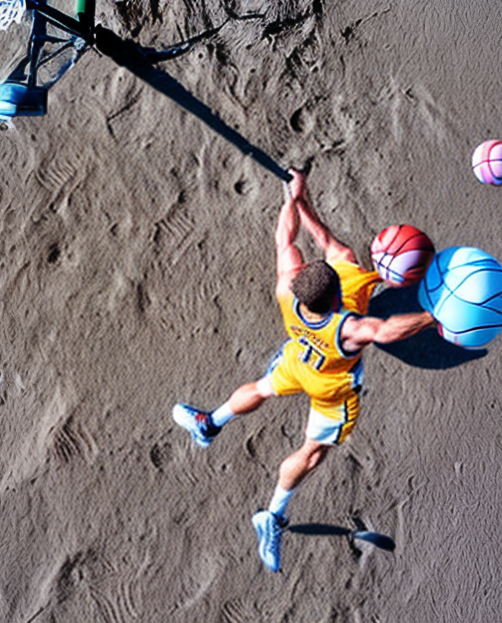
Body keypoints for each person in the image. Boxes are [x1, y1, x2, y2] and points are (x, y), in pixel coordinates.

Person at [172, 169, 436, 572]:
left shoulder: (287, 289)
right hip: (332, 390)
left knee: (261, 388)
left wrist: (294, 198)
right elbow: (385, 330)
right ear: (336, 299)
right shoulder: (348, 322)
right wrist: (435, 315)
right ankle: (272, 515)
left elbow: (288, 239)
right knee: (312, 453)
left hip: (297, 359)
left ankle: (210, 423)